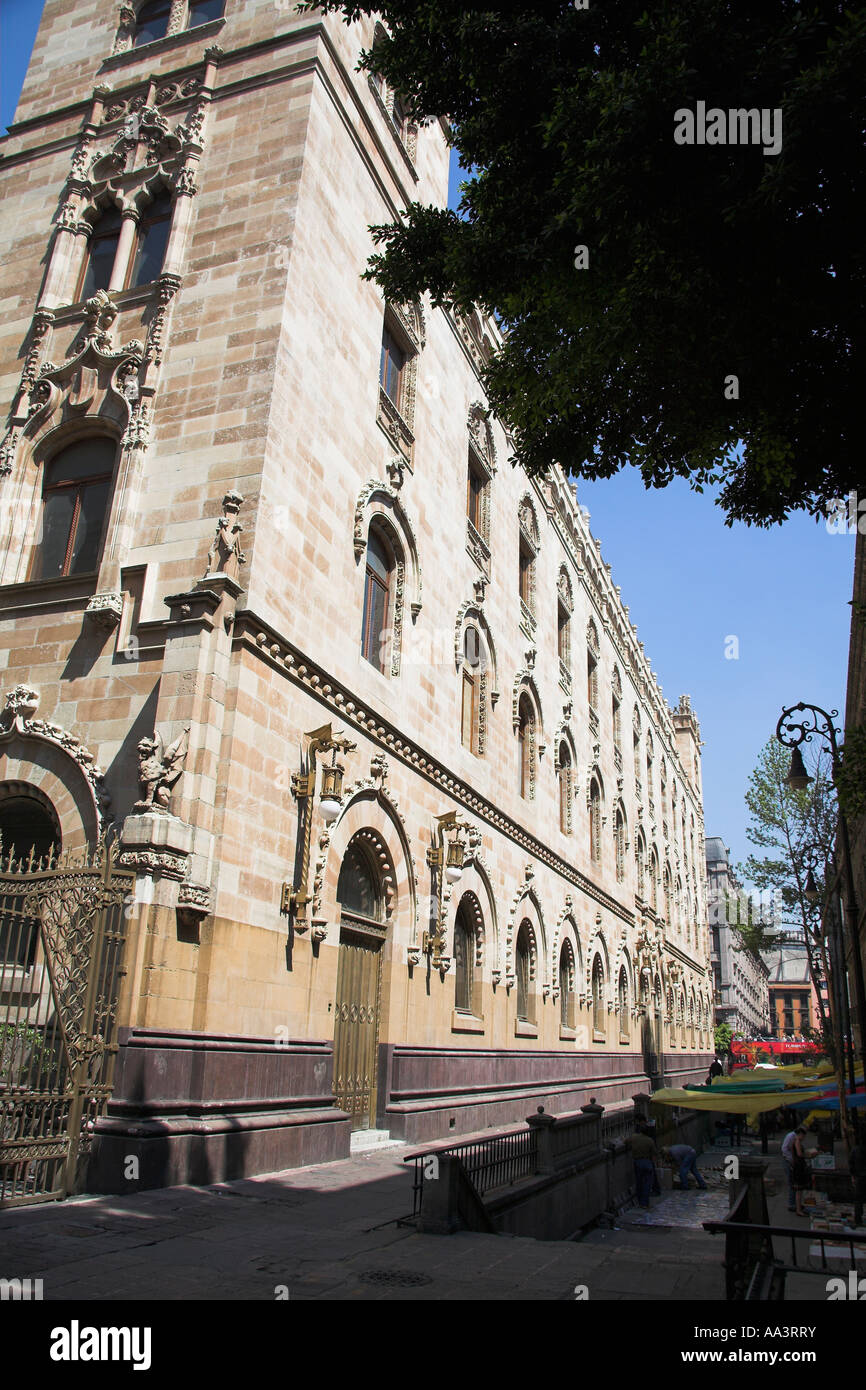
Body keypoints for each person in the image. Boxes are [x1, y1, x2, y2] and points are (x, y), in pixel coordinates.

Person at [630, 1126, 659, 1208]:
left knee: (639, 1182)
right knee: (647, 1183)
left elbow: (625, 1142)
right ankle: (644, 1203)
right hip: (647, 1162)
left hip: (637, 1162)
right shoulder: (650, 1140)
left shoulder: (634, 1137)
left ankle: (640, 1201)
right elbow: (655, 1152)